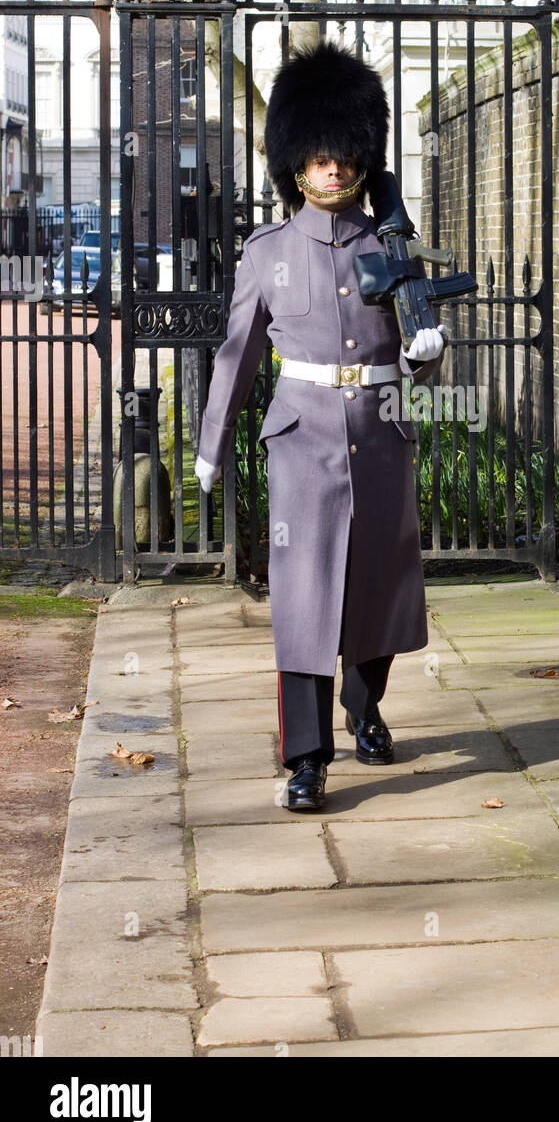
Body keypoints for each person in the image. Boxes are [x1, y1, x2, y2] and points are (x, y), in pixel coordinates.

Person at [194, 40, 448, 811]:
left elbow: (422, 352)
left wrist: (428, 352)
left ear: (362, 160)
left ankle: (364, 705)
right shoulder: (266, 252)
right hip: (301, 441)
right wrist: (210, 447)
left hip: (381, 437)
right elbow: (238, 356)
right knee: (304, 604)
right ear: (295, 166)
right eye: (318, 158)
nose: (332, 169)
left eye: (343, 156)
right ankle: (306, 761)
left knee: (379, 590)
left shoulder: (391, 245)